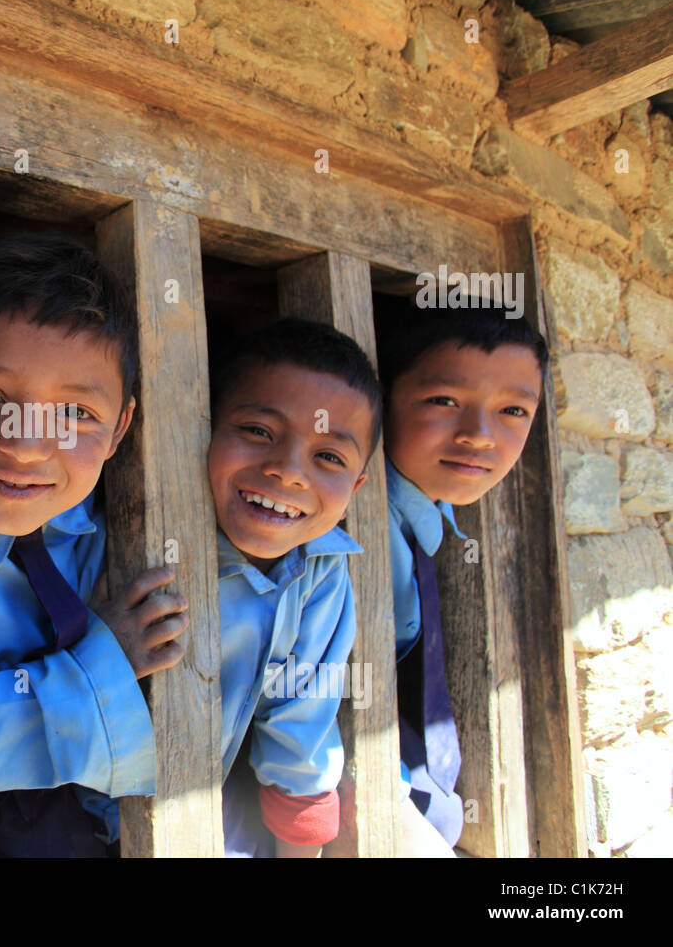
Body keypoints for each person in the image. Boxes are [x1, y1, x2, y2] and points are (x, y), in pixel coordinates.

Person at [0, 233, 187, 856]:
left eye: (74, 412)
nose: (25, 446)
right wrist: (103, 666)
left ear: (121, 427)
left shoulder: (109, 538)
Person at [376, 307, 548, 855]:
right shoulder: (357, 529)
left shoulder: (430, 518)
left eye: (514, 410)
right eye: (444, 401)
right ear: (381, 398)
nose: (479, 436)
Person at [208, 319, 381, 858]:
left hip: (218, 796)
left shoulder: (321, 573)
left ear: (354, 488)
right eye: (259, 431)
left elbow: (300, 727)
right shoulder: (134, 533)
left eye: (328, 457)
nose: (286, 471)